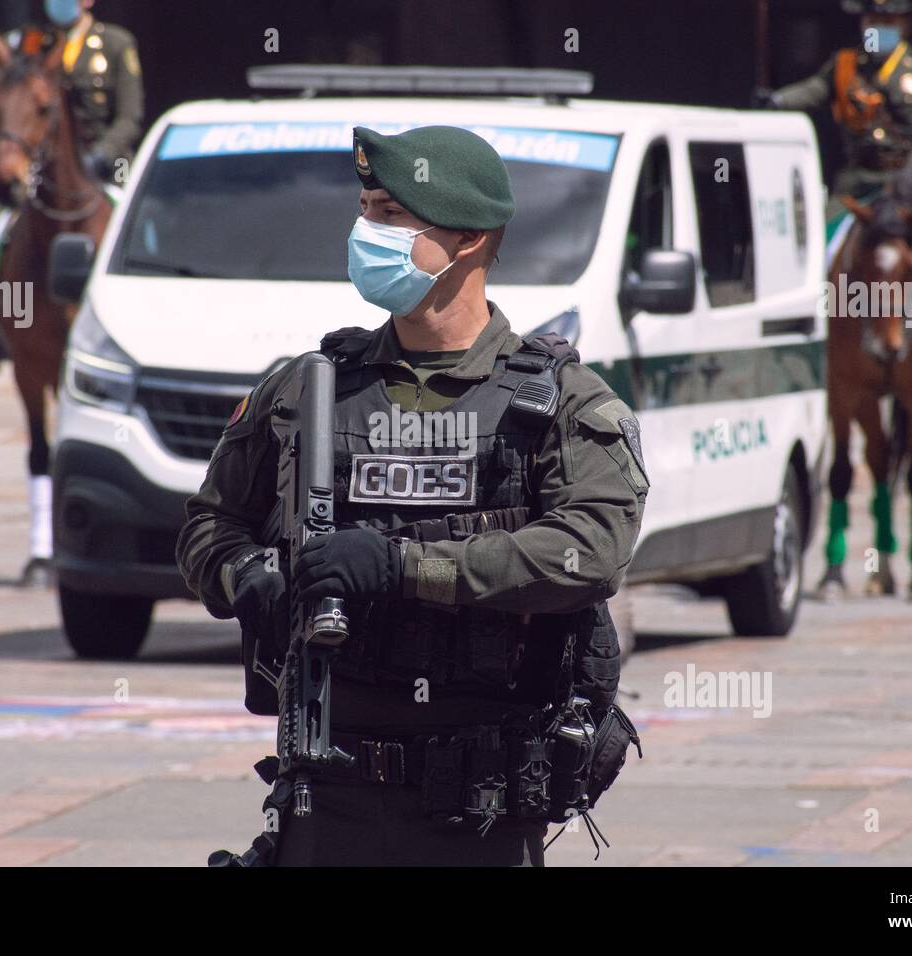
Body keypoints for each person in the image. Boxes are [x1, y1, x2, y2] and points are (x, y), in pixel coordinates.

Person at [176, 125, 649, 866]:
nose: (368, 231)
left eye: (392, 216)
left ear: (468, 238)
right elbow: (208, 528)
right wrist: (251, 577)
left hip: (480, 814)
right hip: (326, 798)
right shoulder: (309, 389)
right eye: (365, 209)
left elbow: (590, 555)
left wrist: (402, 566)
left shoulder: (559, 403)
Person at [759, 0, 912, 377]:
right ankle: (805, 339)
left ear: (904, 23)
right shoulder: (845, 65)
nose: (879, 26)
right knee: (808, 249)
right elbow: (814, 91)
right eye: (873, 19)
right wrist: (777, 99)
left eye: (888, 19)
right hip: (861, 181)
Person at [0, 0, 143, 373]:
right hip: (40, 168)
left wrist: (104, 154)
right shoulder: (34, 41)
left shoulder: (115, 43)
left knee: (142, 233)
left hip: (103, 166)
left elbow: (130, 115)